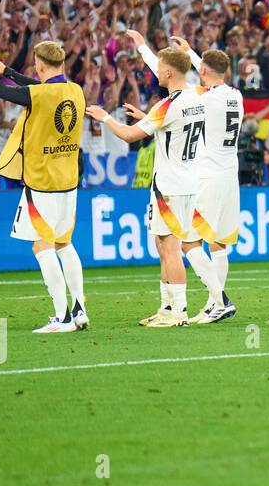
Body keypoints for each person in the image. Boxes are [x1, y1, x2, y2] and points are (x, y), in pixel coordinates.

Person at [0, 43, 86, 333]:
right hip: (68, 181)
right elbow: (37, 89)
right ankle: (79, 310)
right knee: (64, 244)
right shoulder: (75, 90)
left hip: (43, 182)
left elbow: (2, 91)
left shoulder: (42, 94)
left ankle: (62, 317)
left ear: (40, 65)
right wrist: (8, 71)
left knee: (41, 246)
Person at [86, 47, 206, 327]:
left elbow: (129, 135)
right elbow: (170, 125)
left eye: (159, 68)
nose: (156, 73)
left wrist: (105, 117)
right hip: (186, 180)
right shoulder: (193, 97)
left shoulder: (167, 105)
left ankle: (178, 311)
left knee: (171, 247)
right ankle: (166, 307)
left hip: (169, 185)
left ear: (167, 72)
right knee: (163, 245)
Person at [132, 31, 242, 324]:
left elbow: (176, 77)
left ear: (203, 71)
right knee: (218, 244)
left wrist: (144, 47)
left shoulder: (203, 97)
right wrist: (192, 53)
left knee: (188, 243)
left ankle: (220, 300)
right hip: (231, 175)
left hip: (206, 175)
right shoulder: (235, 95)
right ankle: (213, 302)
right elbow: (200, 75)